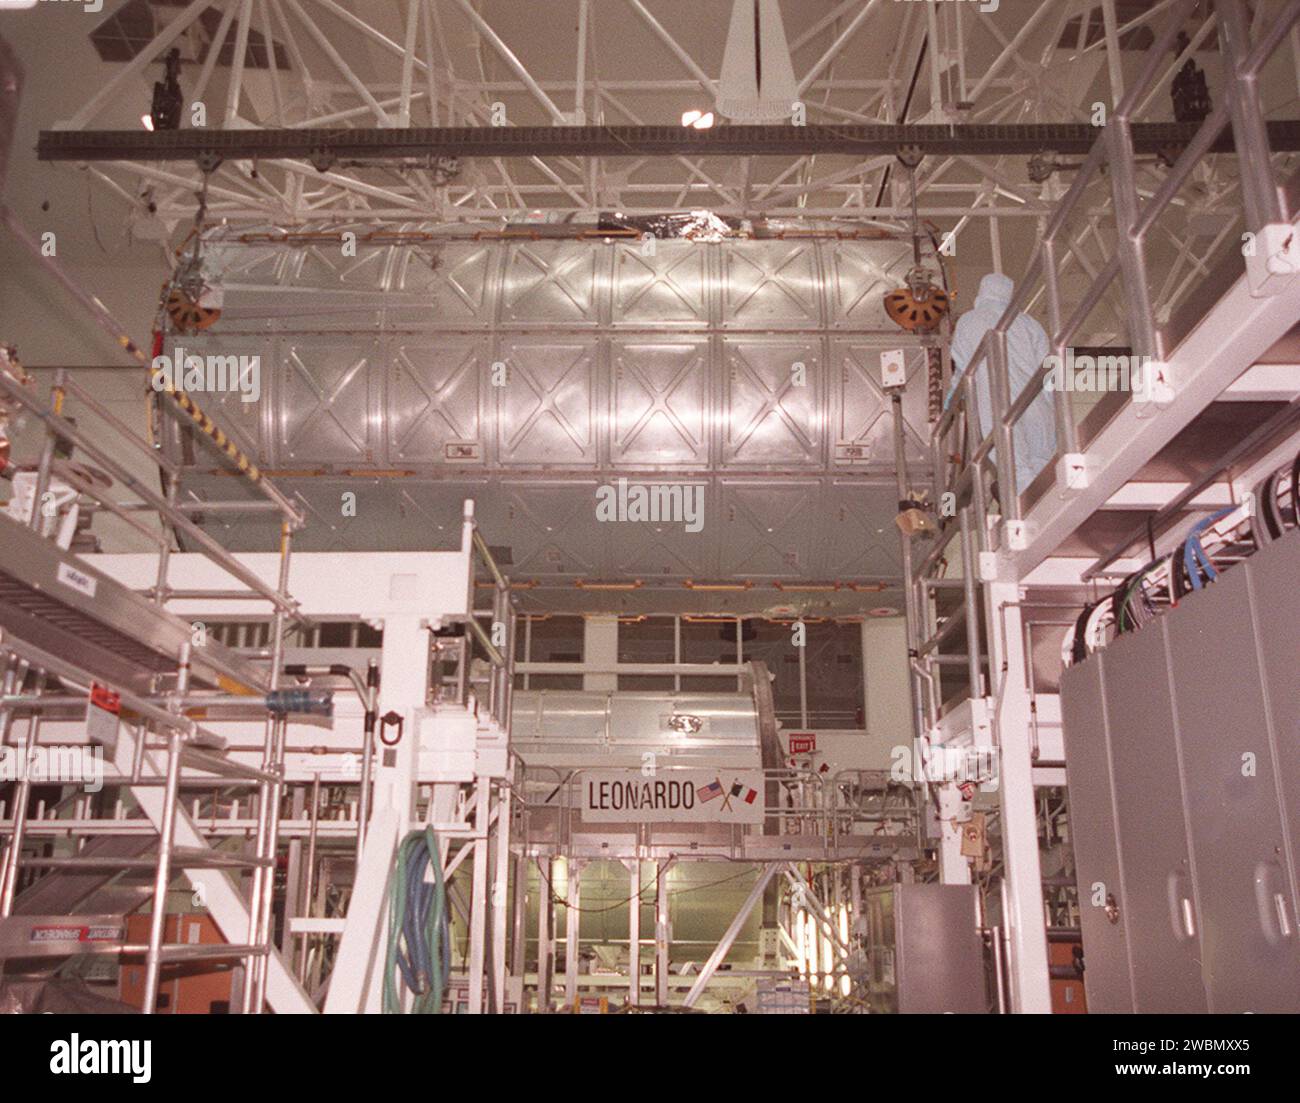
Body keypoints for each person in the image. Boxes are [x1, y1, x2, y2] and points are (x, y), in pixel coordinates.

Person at [948, 272, 1056, 497]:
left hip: (997, 402)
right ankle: (1048, 501)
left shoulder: (969, 321)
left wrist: (953, 397)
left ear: (982, 292)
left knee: (1013, 464)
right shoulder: (1029, 323)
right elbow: (1050, 370)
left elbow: (963, 366)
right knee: (1042, 462)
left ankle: (1030, 512)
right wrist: (1051, 404)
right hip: (1035, 403)